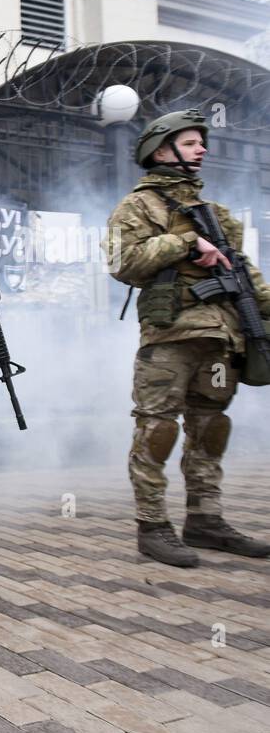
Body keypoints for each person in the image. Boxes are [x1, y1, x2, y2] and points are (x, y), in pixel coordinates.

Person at [106, 108, 270, 567]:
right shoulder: (138, 207)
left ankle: (205, 519)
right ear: (162, 149)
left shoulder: (215, 213)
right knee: (157, 429)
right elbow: (124, 263)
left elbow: (246, 275)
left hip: (221, 340)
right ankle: (153, 526)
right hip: (171, 339)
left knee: (210, 429)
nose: (203, 149)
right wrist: (186, 243)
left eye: (202, 142)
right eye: (193, 142)